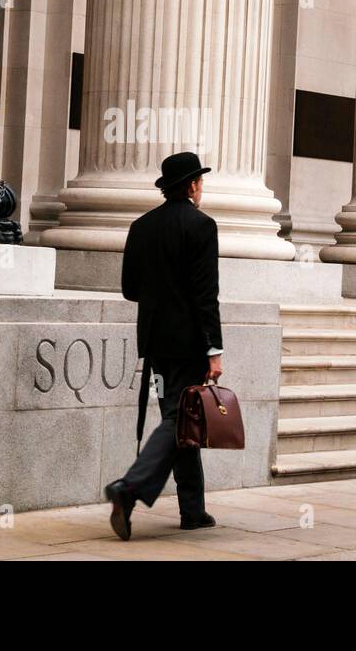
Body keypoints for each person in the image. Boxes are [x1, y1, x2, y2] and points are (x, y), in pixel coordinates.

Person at [103, 151, 223, 540]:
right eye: (200, 181)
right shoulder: (202, 226)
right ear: (191, 186)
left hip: (154, 342)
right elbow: (206, 295)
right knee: (178, 418)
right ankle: (130, 488)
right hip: (189, 344)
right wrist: (214, 350)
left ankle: (193, 511)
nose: (202, 188)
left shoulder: (141, 226)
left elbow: (130, 290)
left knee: (181, 417)